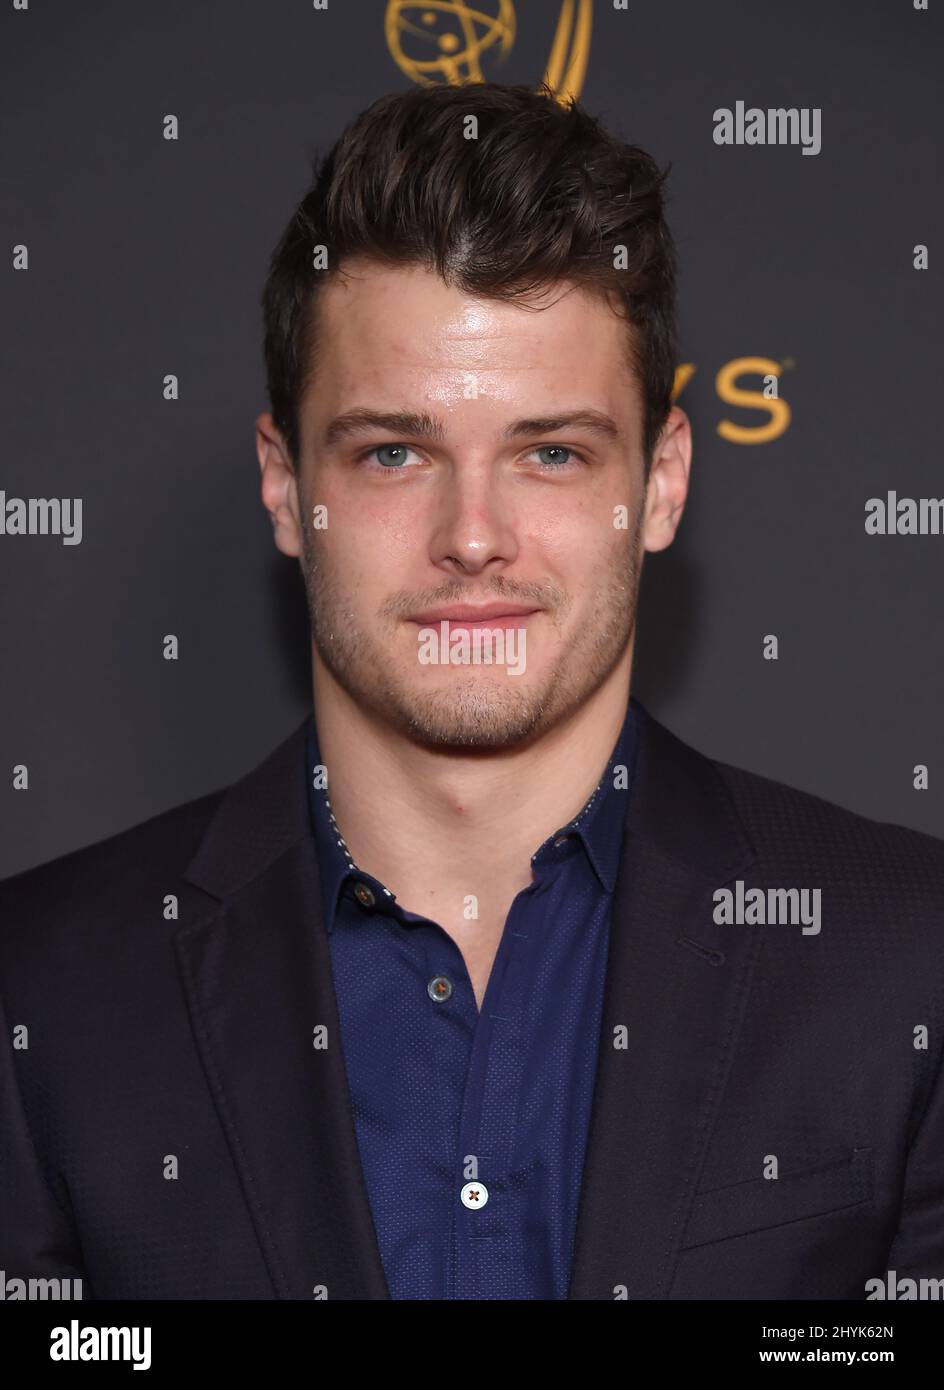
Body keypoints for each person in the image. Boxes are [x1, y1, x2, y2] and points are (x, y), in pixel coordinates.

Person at [1, 82, 942, 1302]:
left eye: (550, 452)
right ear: (285, 489)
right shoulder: (42, 992)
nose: (473, 536)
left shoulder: (905, 962)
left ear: (660, 482)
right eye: (394, 452)